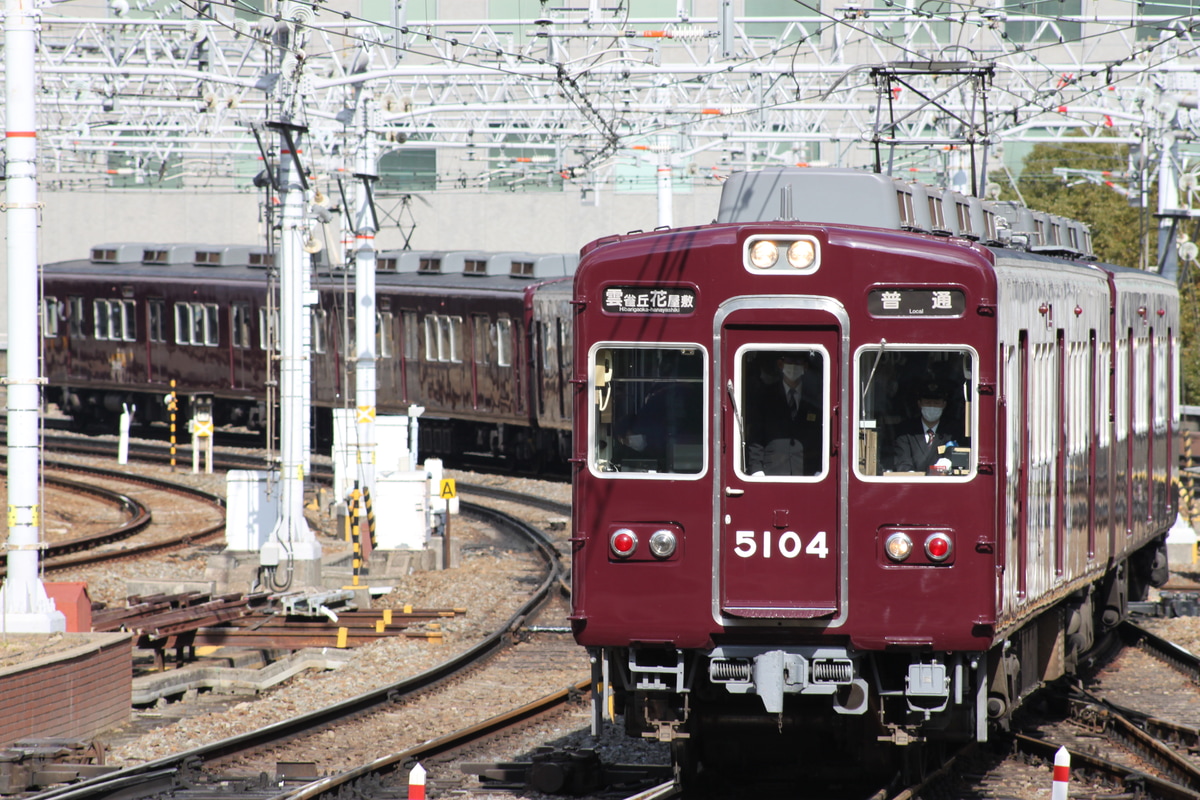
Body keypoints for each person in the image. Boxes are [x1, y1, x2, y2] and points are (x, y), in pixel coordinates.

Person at [745, 351, 822, 476]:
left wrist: (820, 469)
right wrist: (756, 470)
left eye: (798, 363)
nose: (793, 366)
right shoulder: (765, 397)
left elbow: (821, 438)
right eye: (789, 362)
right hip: (772, 472)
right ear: (780, 364)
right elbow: (756, 436)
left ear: (805, 367)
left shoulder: (816, 398)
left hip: (807, 473)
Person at [892, 379, 962, 473]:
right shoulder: (906, 430)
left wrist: (948, 461)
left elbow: (956, 452)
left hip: (942, 483)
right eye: (927, 403)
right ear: (919, 404)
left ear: (944, 405)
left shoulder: (952, 430)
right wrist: (910, 474)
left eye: (936, 403)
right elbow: (902, 459)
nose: (932, 407)